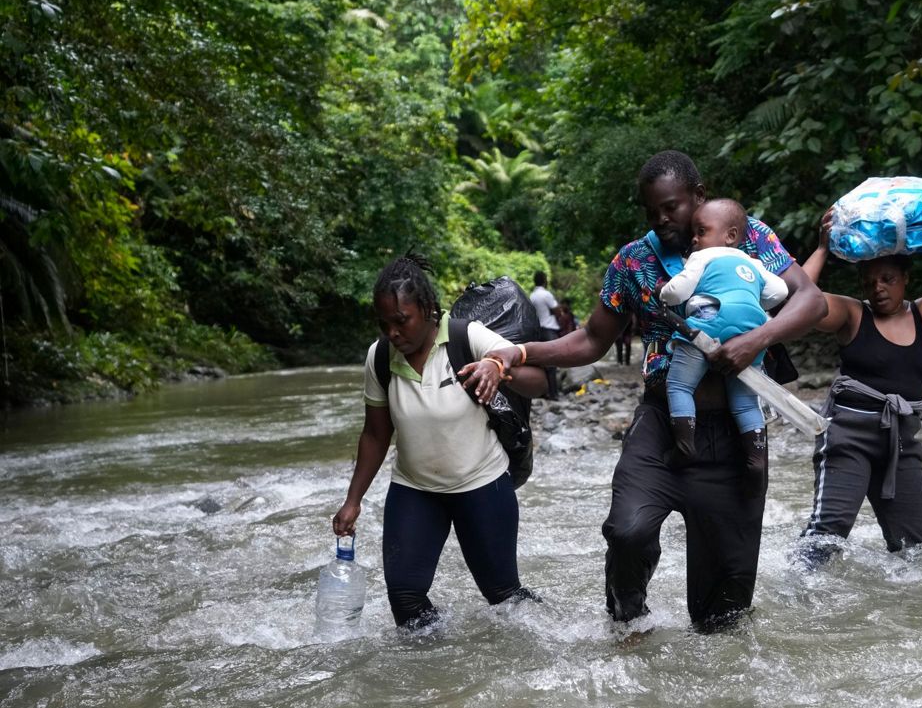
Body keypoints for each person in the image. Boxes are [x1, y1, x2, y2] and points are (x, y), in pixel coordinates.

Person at [485, 150, 825, 630]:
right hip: (662, 420)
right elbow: (591, 340)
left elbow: (810, 301)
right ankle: (629, 623)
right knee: (627, 530)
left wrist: (757, 340)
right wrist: (517, 353)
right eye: (652, 211)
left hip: (735, 432)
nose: (662, 219)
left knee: (722, 615)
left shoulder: (746, 236)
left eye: (672, 207)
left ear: (699, 196)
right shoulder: (634, 260)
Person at [332, 255, 547, 630]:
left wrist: (499, 369)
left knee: (502, 594)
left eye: (401, 321)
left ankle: (555, 633)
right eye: (384, 325)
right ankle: (435, 674)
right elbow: (376, 433)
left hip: (481, 484)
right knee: (405, 597)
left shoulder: (468, 336)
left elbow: (540, 380)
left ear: (429, 310)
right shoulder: (380, 357)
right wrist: (353, 501)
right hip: (415, 489)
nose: (393, 333)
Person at [797, 213, 922, 564]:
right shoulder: (852, 314)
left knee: (914, 549)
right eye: (869, 282)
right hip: (847, 438)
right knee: (826, 537)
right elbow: (800, 301)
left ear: (905, 280)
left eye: (887, 279)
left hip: (901, 443)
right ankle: (797, 595)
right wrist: (822, 247)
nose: (877, 287)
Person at [659, 198, 789, 493]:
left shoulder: (702, 257)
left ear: (730, 236)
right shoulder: (752, 262)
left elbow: (678, 292)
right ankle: (756, 458)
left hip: (710, 320)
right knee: (743, 401)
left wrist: (663, 293)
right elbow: (780, 291)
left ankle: (684, 445)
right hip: (751, 332)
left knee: (680, 386)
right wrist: (753, 298)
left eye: (701, 231)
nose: (694, 238)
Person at [529, 271, 562, 400]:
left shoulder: (532, 296)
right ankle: (554, 394)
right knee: (552, 363)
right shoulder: (546, 294)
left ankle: (543, 392)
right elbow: (557, 310)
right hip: (549, 329)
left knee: (540, 362)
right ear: (544, 281)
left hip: (538, 331)